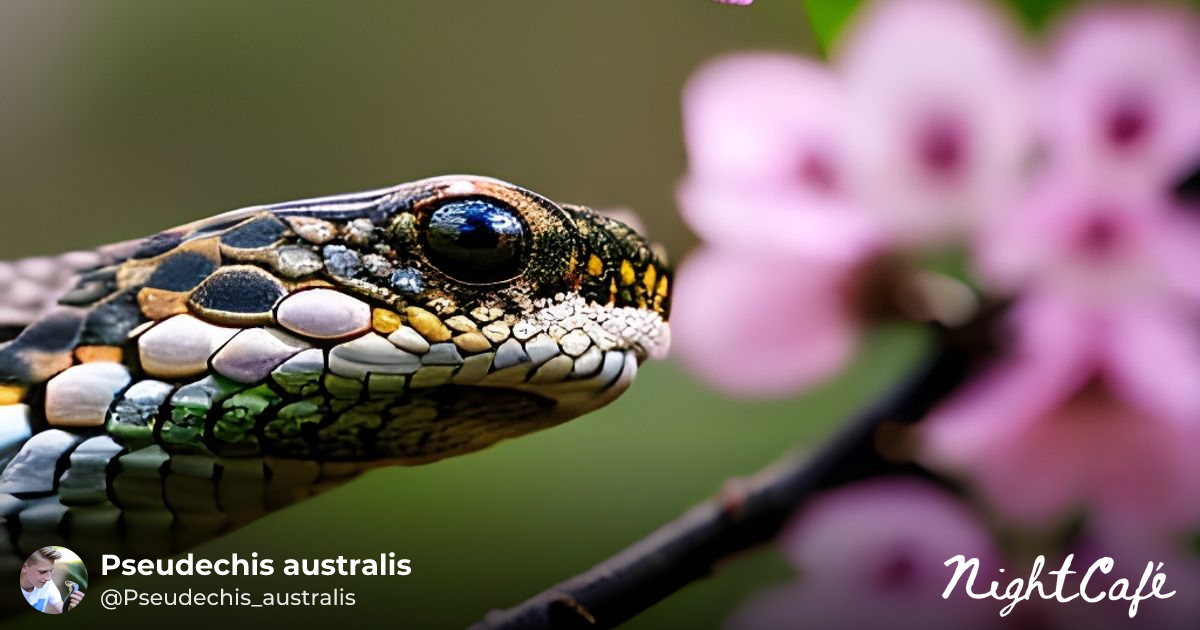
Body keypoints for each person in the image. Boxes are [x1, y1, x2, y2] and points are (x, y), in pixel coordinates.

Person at [19, 548, 84, 613]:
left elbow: (63, 610)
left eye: (50, 571)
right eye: (42, 572)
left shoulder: (47, 584)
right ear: (24, 568)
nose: (49, 578)